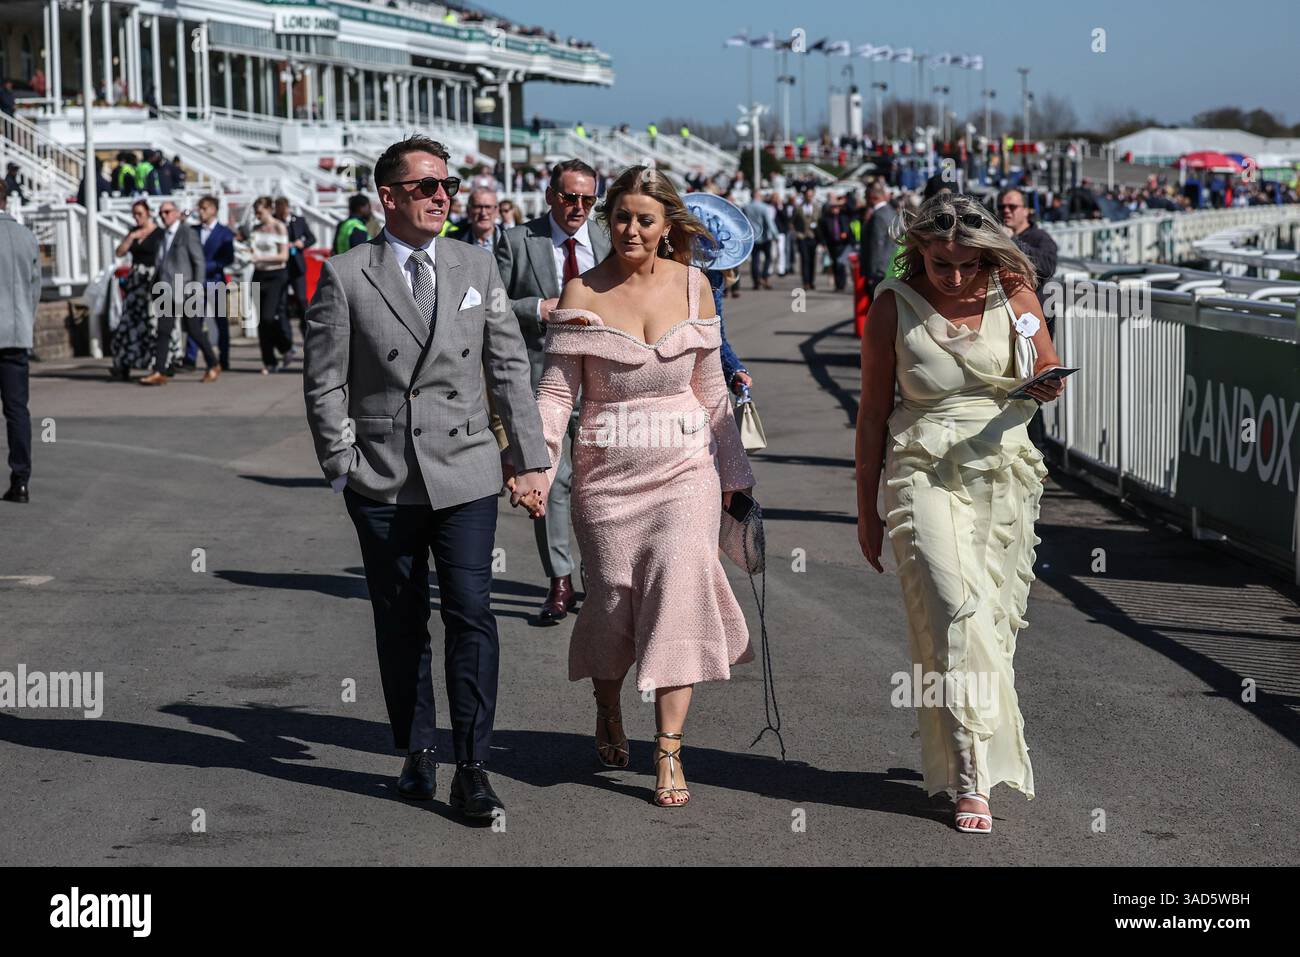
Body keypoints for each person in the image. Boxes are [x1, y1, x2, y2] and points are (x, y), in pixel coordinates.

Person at [303, 134, 551, 821]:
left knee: (472, 611)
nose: (443, 196)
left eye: (447, 185)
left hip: (466, 471)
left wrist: (527, 457)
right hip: (382, 479)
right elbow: (324, 382)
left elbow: (507, 367)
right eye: (425, 187)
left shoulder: (476, 264)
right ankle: (417, 749)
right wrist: (341, 465)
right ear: (389, 197)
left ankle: (472, 766)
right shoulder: (348, 273)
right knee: (401, 620)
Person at [536, 165, 756, 807]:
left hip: (685, 468)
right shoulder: (580, 293)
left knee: (677, 592)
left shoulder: (695, 288)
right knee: (611, 606)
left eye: (645, 219)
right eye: (623, 217)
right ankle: (608, 706)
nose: (632, 229)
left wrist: (734, 476)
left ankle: (668, 751)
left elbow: (711, 390)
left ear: (668, 228)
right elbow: (555, 394)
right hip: (606, 473)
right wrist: (537, 469)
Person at [855, 192, 1066, 834]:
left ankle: (969, 747)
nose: (954, 275)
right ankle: (972, 774)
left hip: (1001, 471)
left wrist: (1049, 379)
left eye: (968, 263)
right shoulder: (892, 306)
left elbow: (1046, 365)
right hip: (919, 468)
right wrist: (864, 509)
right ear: (917, 249)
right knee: (952, 606)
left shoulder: (1016, 295)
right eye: (940, 261)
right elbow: (870, 413)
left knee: (992, 624)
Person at [495, 158, 612, 624]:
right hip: (543, 380)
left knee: (601, 482)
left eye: (588, 198)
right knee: (553, 480)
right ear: (550, 196)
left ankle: (601, 576)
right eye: (569, 197)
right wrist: (535, 308)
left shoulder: (610, 242)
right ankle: (559, 580)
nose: (578, 206)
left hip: (603, 377)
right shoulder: (519, 240)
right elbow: (490, 303)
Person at [140, 200, 220, 385]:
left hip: (185, 289)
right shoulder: (162, 236)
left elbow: (198, 262)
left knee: (194, 330)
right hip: (166, 290)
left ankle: (213, 363)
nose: (164, 216)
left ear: (176, 213)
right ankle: (159, 371)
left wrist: (197, 288)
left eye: (167, 212)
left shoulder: (187, 233)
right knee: (163, 330)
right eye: (161, 213)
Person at [0, 180, 39, 504]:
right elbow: (34, 289)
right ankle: (21, 479)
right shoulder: (27, 236)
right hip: (17, 334)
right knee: (17, 411)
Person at [110, 201, 172, 381]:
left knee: (153, 322)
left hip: (152, 279)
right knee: (129, 323)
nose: (137, 218)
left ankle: (159, 363)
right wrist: (131, 238)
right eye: (134, 214)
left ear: (148, 213)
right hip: (135, 282)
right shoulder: (133, 232)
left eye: (140, 214)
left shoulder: (160, 233)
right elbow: (120, 252)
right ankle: (124, 362)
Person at [249, 196, 293, 374]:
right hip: (259, 274)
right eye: (255, 212)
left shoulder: (279, 227)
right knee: (261, 321)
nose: (257, 216)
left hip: (276, 274)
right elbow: (252, 250)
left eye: (260, 212)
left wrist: (261, 257)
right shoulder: (255, 228)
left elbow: (284, 256)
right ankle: (269, 361)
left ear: (268, 209)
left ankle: (285, 347)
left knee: (269, 317)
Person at [195, 195, 236, 371]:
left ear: (213, 209)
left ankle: (224, 359)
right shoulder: (193, 230)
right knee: (195, 321)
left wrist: (208, 266)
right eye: (200, 208)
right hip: (196, 282)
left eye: (204, 208)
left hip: (215, 281)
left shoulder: (224, 232)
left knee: (221, 323)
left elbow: (228, 258)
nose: (201, 212)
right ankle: (190, 359)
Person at [274, 196, 317, 341]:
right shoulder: (273, 222)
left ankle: (306, 332)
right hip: (280, 266)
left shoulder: (298, 220)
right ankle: (286, 337)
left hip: (297, 265)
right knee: (281, 301)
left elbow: (312, 238)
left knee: (302, 299)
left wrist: (301, 243)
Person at [860, 181, 899, 297]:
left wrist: (873, 273)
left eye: (865, 196)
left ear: (872, 197)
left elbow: (877, 245)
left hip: (880, 271)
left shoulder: (878, 216)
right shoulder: (891, 212)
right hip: (891, 267)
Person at [817, 193, 853, 291]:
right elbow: (823, 232)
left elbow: (851, 209)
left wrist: (845, 232)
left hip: (843, 244)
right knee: (835, 264)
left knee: (841, 263)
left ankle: (842, 283)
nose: (835, 209)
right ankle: (838, 285)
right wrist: (824, 243)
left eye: (837, 207)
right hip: (832, 244)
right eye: (833, 207)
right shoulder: (826, 218)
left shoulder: (844, 216)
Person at [743, 191, 776, 290]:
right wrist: (775, 234)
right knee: (768, 258)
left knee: (755, 260)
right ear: (758, 196)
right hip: (765, 237)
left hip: (753, 237)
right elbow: (768, 222)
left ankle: (756, 281)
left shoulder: (746, 207)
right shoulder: (764, 207)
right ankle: (764, 276)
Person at [792, 186, 821, 289]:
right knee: (804, 259)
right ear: (804, 196)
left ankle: (811, 281)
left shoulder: (816, 207)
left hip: (813, 237)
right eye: (807, 196)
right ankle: (805, 282)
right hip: (802, 237)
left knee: (812, 260)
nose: (809, 197)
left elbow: (819, 222)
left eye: (811, 196)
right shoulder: (798, 207)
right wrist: (797, 233)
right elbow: (793, 222)